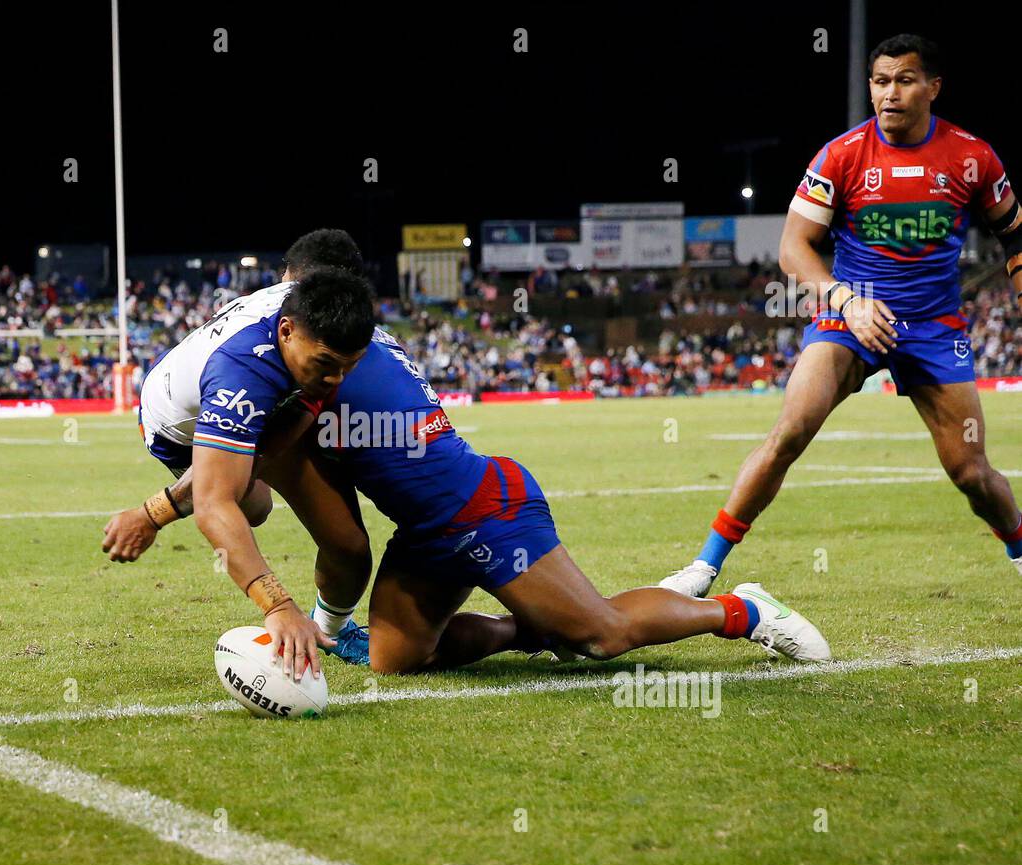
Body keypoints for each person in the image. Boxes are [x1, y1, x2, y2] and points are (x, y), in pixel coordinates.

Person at [123, 325, 832, 673]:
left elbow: (245, 463)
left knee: (603, 637)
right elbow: (243, 459)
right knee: (393, 660)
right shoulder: (323, 360)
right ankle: (529, 630)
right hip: (427, 530)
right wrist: (161, 507)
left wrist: (160, 511)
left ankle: (738, 612)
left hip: (483, 509)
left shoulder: (322, 367)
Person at [660, 34, 1022, 598]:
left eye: (904, 80)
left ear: (933, 87)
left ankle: (1019, 550)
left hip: (933, 327)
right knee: (790, 431)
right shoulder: (843, 155)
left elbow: (1014, 234)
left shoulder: (973, 157)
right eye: (880, 81)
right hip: (850, 317)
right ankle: (703, 568)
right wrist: (846, 300)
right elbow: (793, 247)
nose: (890, 93)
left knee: (972, 473)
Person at [101, 230, 377, 680]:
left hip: (229, 389)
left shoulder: (315, 306)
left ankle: (334, 631)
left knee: (340, 540)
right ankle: (162, 505)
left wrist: (311, 398)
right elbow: (214, 505)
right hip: (173, 427)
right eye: (326, 364)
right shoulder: (246, 374)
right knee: (251, 505)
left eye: (349, 365)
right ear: (288, 331)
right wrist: (278, 605)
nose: (336, 378)